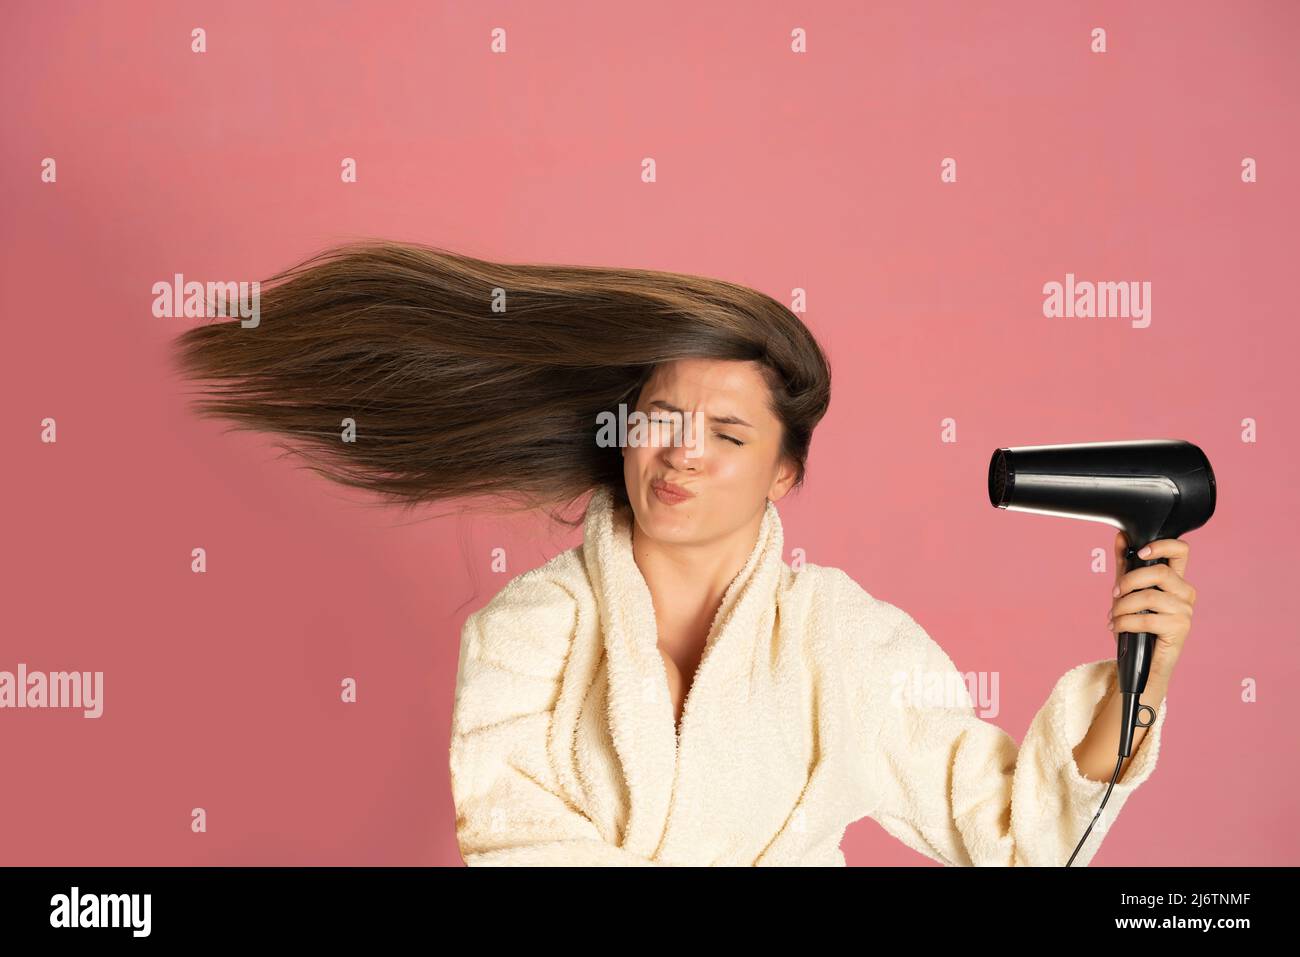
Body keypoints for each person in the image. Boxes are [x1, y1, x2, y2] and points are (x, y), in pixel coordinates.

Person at [172, 240, 1197, 866]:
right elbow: (515, 845)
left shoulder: (848, 645)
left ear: (785, 472)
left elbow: (1019, 839)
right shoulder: (525, 631)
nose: (681, 455)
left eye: (729, 436)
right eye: (659, 419)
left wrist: (1134, 686)